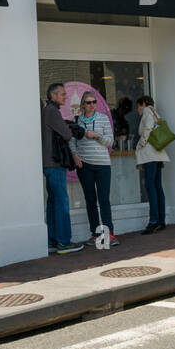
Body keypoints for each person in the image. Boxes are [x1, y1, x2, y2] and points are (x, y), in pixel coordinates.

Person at [71, 91, 118, 244]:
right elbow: (72, 141)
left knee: (104, 200)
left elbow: (110, 141)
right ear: (83, 105)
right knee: (90, 200)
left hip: (102, 165)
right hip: (84, 165)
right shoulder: (76, 120)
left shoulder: (103, 118)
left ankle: (109, 234)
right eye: (88, 102)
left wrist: (96, 136)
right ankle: (95, 233)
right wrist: (75, 154)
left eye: (94, 102)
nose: (92, 105)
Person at [42, 84, 84, 251]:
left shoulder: (47, 110)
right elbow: (66, 134)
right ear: (53, 95)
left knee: (53, 201)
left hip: (48, 163)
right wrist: (69, 127)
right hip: (55, 163)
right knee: (61, 202)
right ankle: (64, 242)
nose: (65, 97)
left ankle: (53, 240)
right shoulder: (52, 111)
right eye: (62, 94)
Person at [135, 95, 170, 234]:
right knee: (157, 187)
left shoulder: (147, 111)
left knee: (150, 187)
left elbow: (148, 128)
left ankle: (153, 221)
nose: (137, 109)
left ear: (143, 104)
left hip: (150, 155)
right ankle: (161, 220)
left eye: (138, 106)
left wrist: (141, 143)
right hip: (158, 153)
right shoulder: (155, 113)